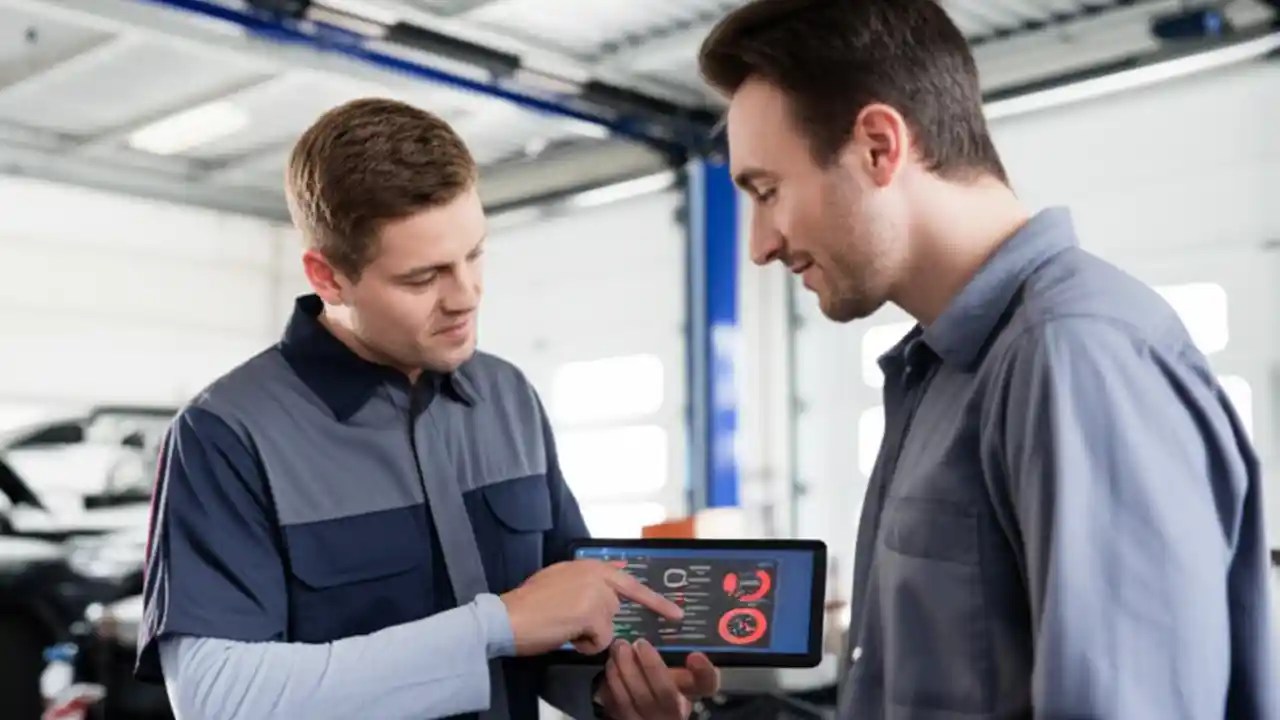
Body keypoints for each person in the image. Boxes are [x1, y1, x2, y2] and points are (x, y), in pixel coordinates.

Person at [698, 1, 1276, 718]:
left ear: (878, 147)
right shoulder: (943, 370)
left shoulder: (1073, 356)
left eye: (768, 192)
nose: (760, 245)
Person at [136, 98, 718, 719]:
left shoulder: (508, 397)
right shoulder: (225, 436)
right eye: (423, 278)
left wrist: (613, 690)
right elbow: (219, 700)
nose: (466, 296)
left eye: (475, 254)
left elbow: (569, 621)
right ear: (328, 277)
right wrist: (495, 625)